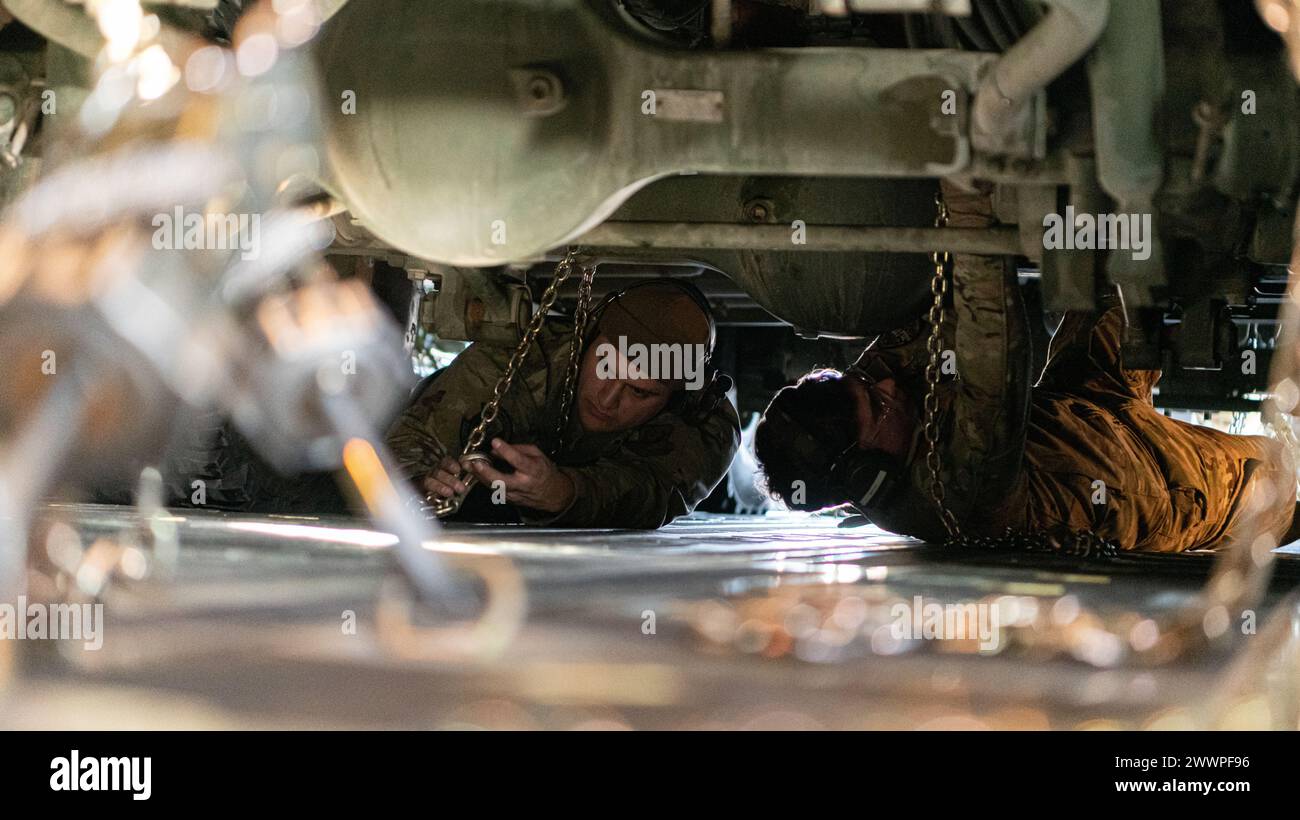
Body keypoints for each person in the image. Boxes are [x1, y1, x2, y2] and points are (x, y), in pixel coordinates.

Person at [753, 181, 1298, 553]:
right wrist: (967, 199)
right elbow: (996, 344)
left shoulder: (879, 421)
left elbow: (914, 333)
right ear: (865, 475)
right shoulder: (955, 488)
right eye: (876, 401)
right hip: (1148, 484)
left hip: (1075, 411)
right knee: (1275, 477)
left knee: (1114, 263)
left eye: (867, 383)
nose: (888, 383)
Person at [386, 279, 740, 528]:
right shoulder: (518, 358)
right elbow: (412, 438)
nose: (608, 398)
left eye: (639, 392)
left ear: (675, 397)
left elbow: (652, 494)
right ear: (589, 337)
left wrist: (562, 493)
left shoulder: (706, 422)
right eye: (605, 368)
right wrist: (418, 483)